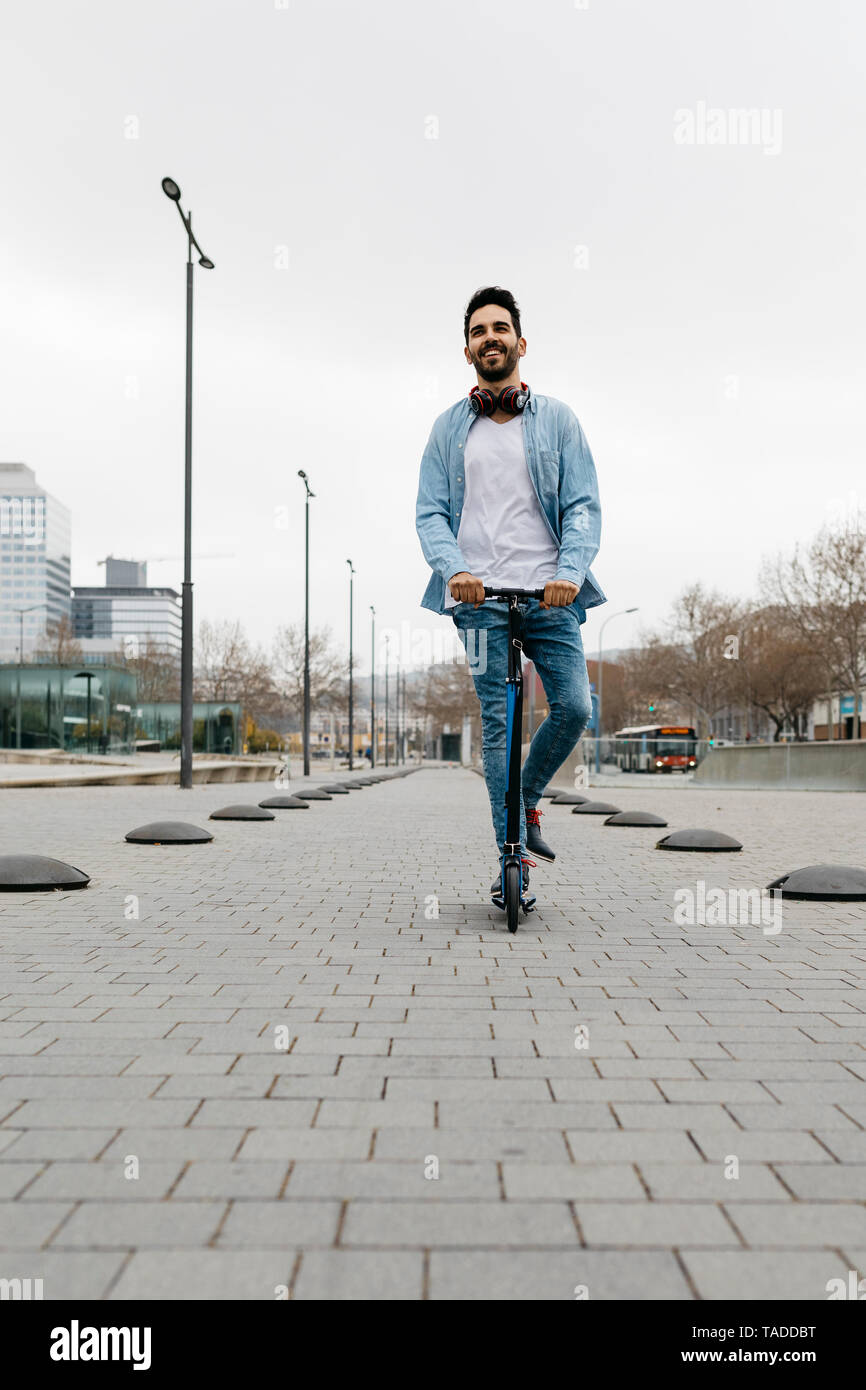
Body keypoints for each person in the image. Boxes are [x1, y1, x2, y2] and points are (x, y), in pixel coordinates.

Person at [415, 286, 605, 897]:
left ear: (520, 343)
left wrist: (569, 574)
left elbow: (582, 506)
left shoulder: (559, 420)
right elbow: (430, 513)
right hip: (479, 601)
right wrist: (454, 570)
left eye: (499, 328)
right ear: (467, 350)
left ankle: (525, 799)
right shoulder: (447, 429)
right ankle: (510, 861)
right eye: (478, 331)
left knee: (574, 706)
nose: (489, 338)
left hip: (551, 594)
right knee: (497, 725)